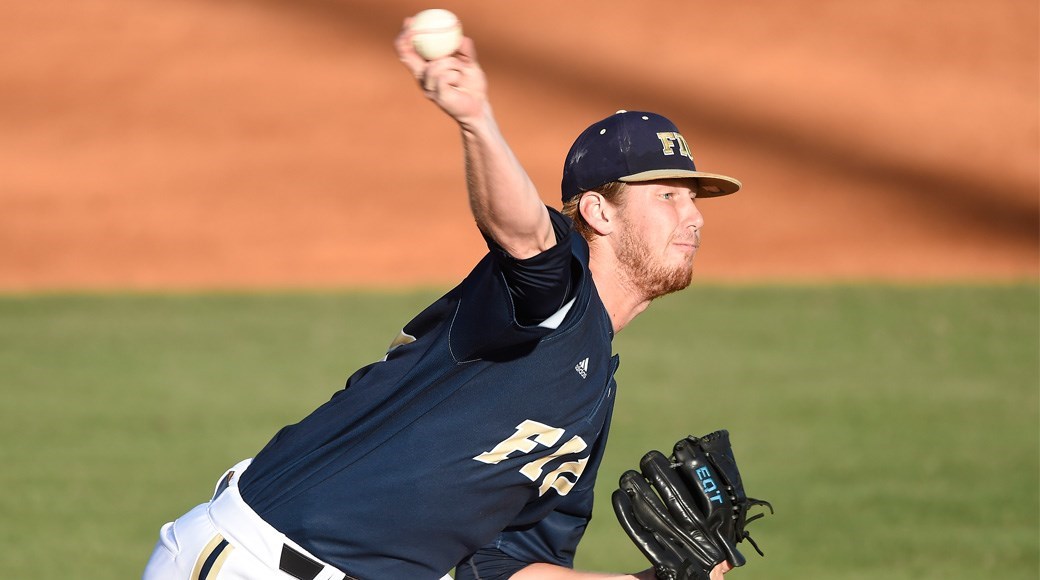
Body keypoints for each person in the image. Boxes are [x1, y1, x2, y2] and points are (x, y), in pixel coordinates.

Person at [143, 18, 742, 580]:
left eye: (694, 200)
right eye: (668, 195)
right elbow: (523, 235)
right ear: (597, 211)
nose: (693, 217)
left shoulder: (592, 401)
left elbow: (506, 569)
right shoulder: (552, 292)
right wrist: (475, 119)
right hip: (258, 563)